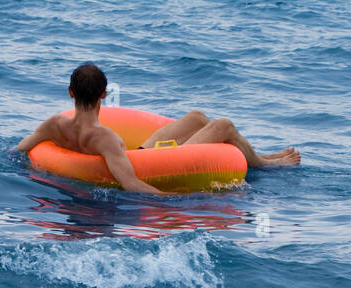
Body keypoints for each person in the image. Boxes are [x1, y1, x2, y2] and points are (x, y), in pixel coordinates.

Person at [17, 63, 300, 194]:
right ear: (103, 94)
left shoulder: (54, 124)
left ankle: (259, 157)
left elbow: (20, 149)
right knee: (223, 125)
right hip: (151, 166)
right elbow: (131, 184)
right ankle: (264, 163)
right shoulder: (105, 139)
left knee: (197, 117)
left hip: (137, 155)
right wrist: (175, 199)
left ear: (70, 92)